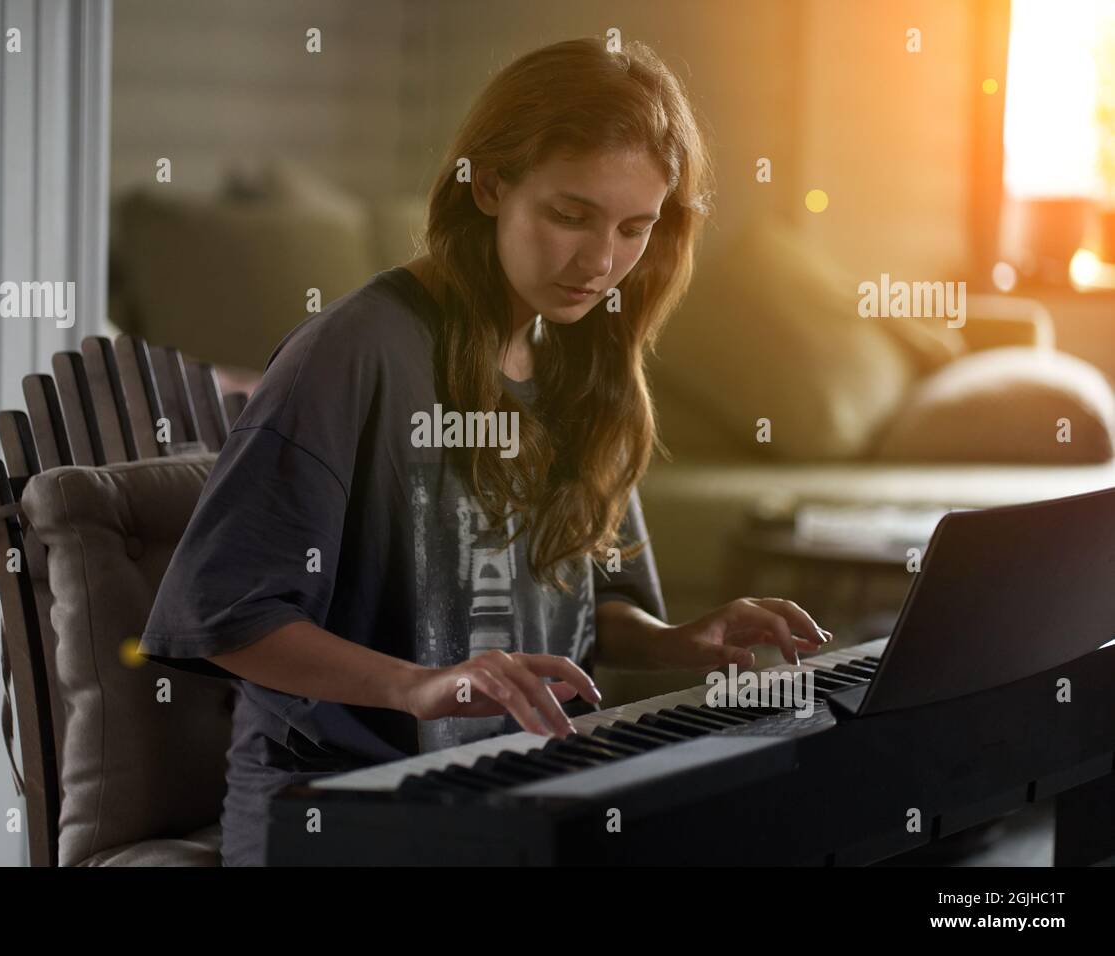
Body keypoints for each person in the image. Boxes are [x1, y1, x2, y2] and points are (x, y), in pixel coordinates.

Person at [139, 36, 832, 867]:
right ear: (490, 182)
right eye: (570, 216)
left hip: (514, 791)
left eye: (633, 229)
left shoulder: (584, 360)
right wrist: (418, 685)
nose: (600, 263)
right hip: (339, 810)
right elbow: (224, 616)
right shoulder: (357, 350)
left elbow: (586, 613)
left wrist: (673, 638)